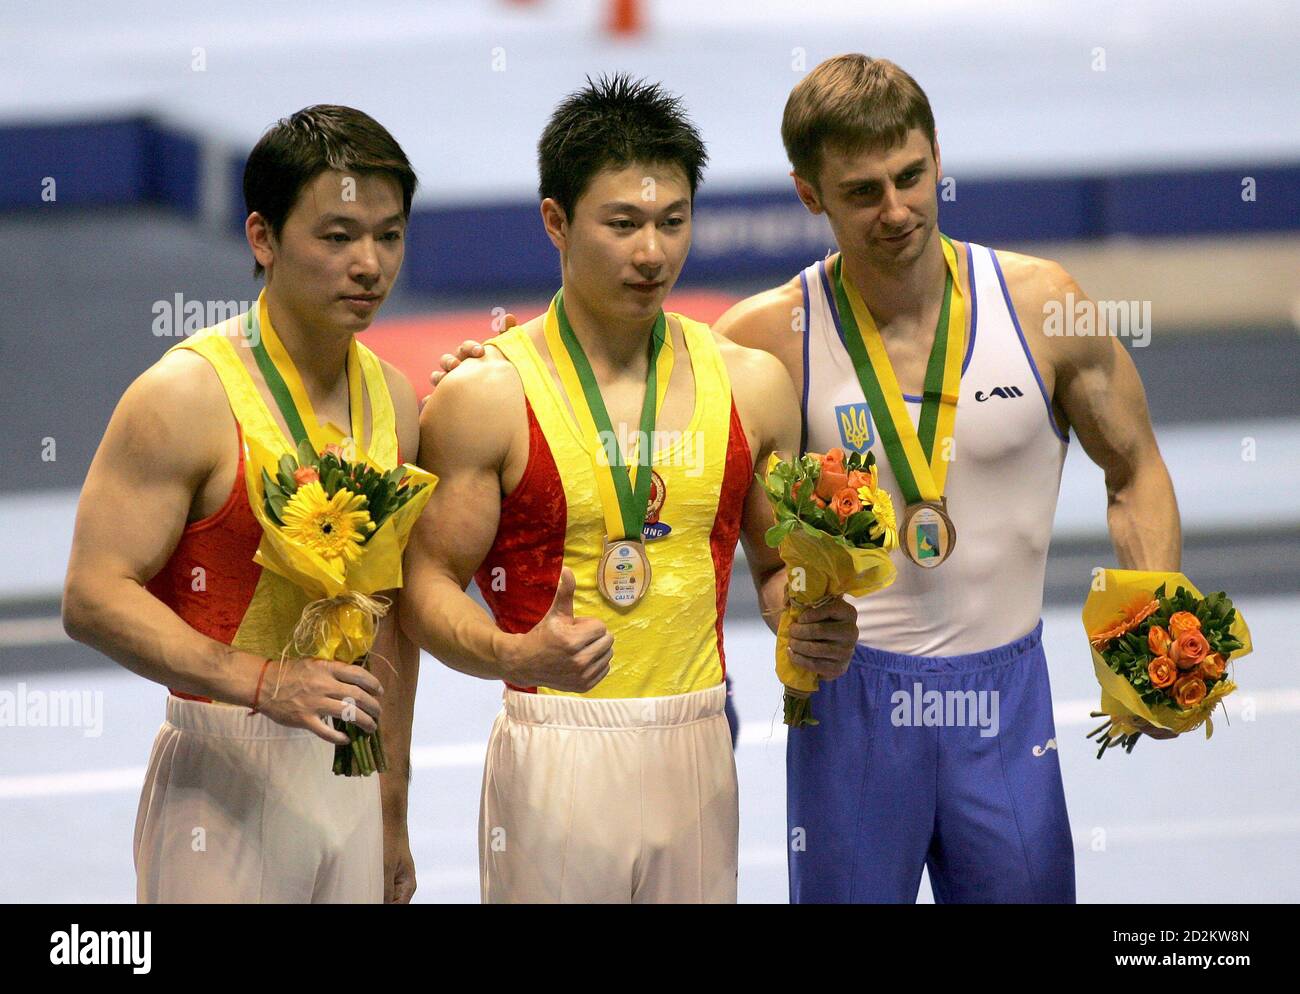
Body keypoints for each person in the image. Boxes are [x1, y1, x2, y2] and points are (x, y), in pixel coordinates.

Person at [433, 56, 1182, 904]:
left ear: (939, 156)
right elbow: (621, 356)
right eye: (863, 192)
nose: (897, 210)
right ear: (808, 194)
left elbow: (1137, 469)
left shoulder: (1045, 306)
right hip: (848, 700)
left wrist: (1151, 622)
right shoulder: (767, 339)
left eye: (912, 177)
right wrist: (492, 366)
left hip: (1006, 705)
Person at [400, 74, 858, 903]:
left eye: (672, 221)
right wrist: (512, 653)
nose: (652, 252)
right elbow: (422, 582)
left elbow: (778, 566)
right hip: (556, 746)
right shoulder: (488, 395)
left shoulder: (751, 385)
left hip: (698, 743)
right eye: (622, 223)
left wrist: (811, 616)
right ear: (556, 222)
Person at [62, 105, 424, 903]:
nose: (369, 264)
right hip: (220, 782)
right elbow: (91, 596)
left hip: (350, 772)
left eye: (389, 235)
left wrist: (391, 808)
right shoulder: (184, 397)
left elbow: (390, 614)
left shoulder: (395, 401)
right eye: (337, 237)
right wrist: (264, 683)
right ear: (262, 238)